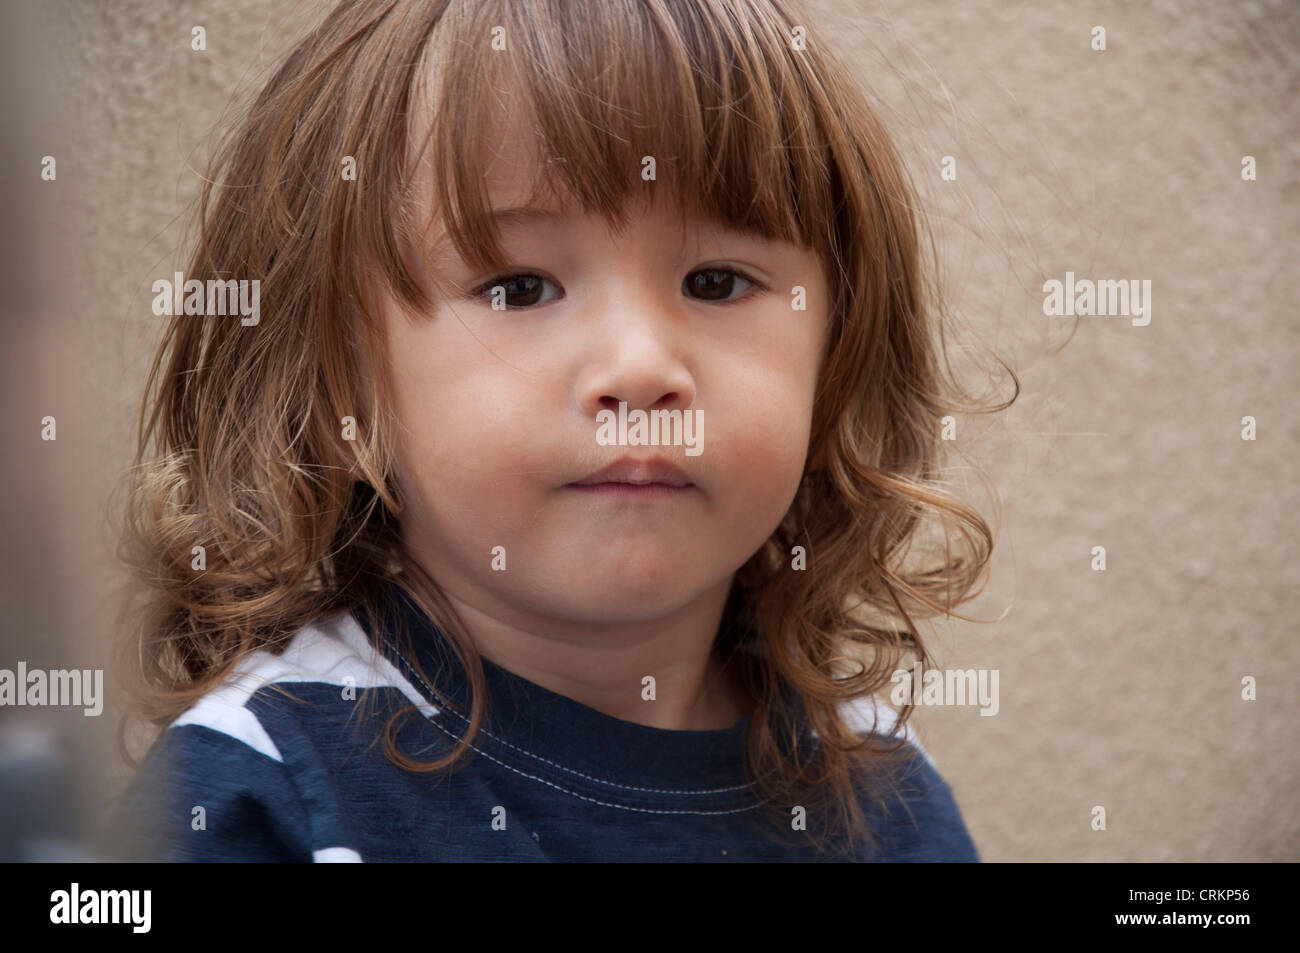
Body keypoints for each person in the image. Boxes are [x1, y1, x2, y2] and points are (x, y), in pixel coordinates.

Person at [104, 0, 1004, 862]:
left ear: (837, 357)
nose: (642, 367)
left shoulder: (879, 784)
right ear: (341, 395)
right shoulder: (259, 788)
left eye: (718, 282)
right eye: (520, 288)